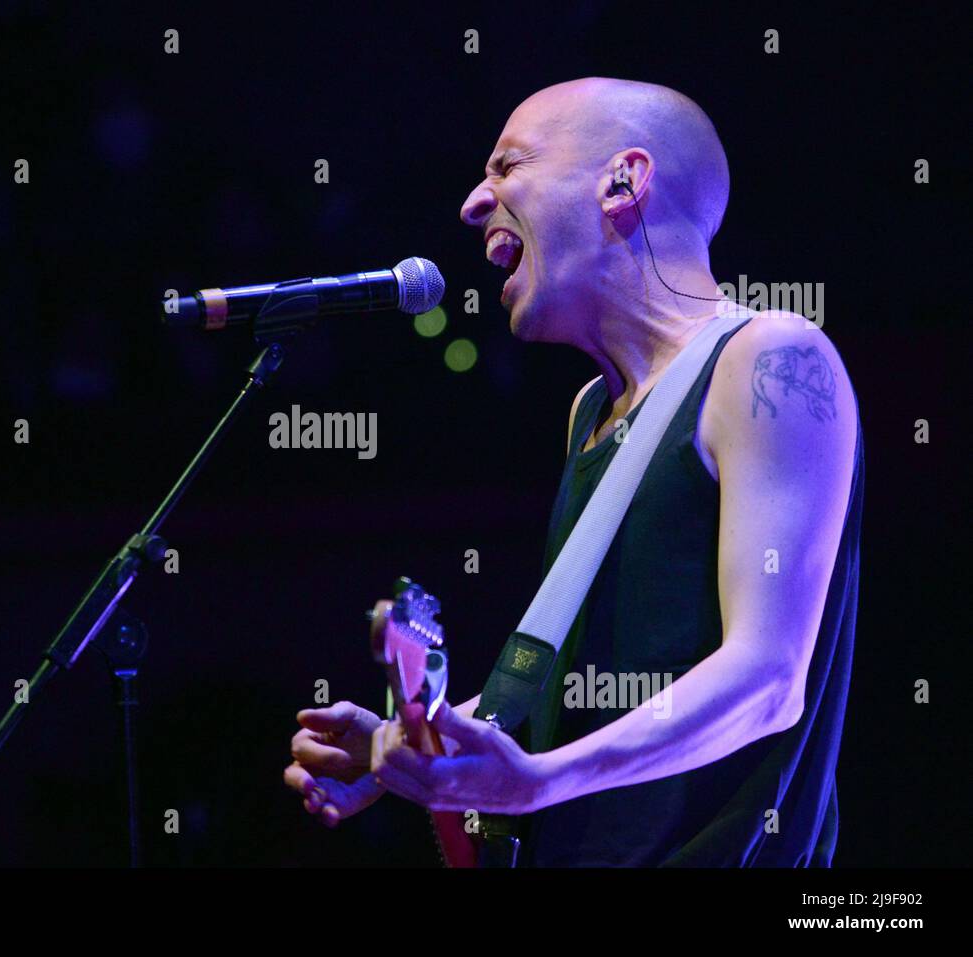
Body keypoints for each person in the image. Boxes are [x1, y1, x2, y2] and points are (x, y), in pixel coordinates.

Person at [282, 77, 864, 866]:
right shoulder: (592, 409)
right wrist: (412, 751)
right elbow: (597, 679)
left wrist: (537, 782)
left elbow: (768, 677)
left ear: (623, 181)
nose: (472, 203)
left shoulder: (770, 356)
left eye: (507, 167)